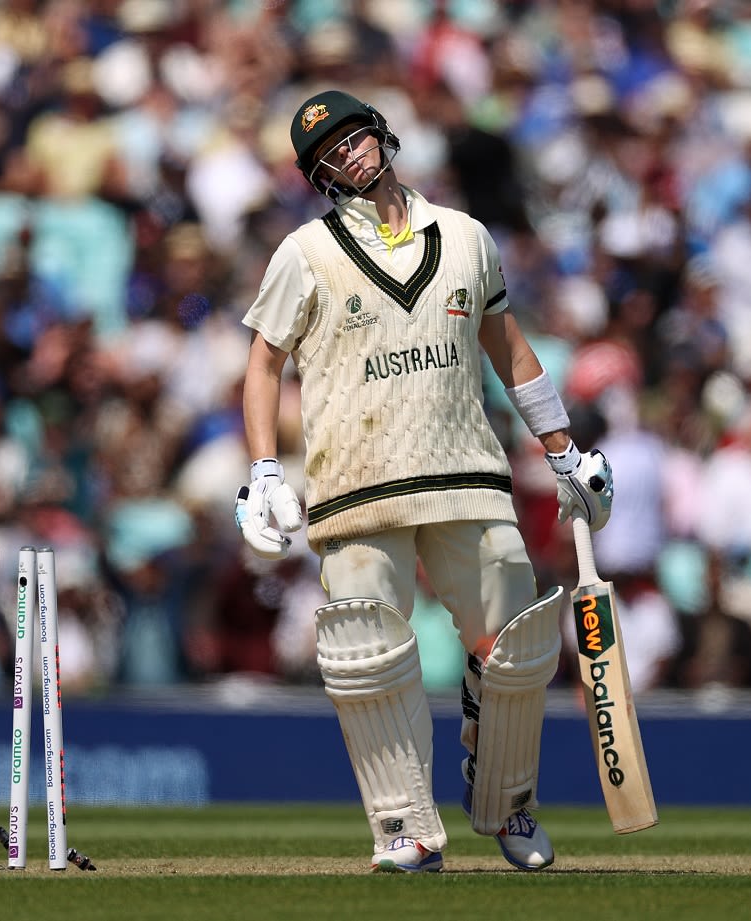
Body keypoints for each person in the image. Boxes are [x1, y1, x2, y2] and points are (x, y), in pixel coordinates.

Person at [235, 90, 613, 873]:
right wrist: (264, 470)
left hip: (466, 471)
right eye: (329, 153)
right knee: (367, 650)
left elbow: (510, 349)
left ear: (381, 133)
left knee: (517, 641)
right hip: (355, 480)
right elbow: (263, 364)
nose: (348, 154)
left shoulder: (467, 237)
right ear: (319, 176)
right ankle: (403, 825)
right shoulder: (304, 253)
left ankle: (507, 802)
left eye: (353, 136)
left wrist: (564, 451)